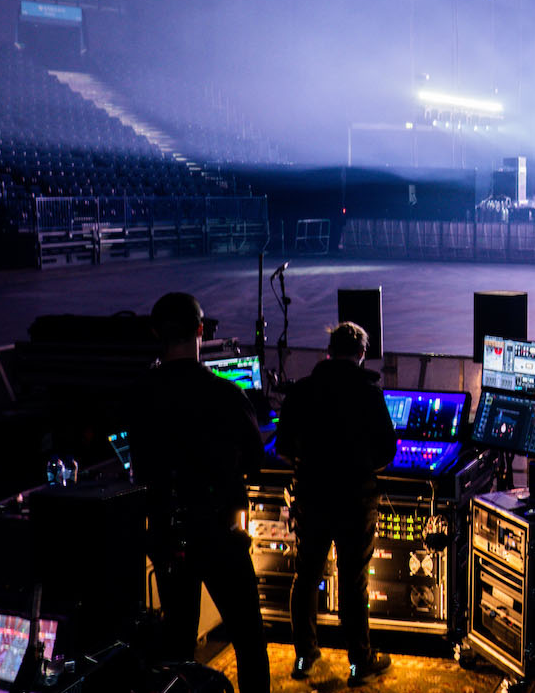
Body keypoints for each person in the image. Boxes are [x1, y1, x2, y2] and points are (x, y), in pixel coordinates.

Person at [131, 293, 269, 693]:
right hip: (219, 534)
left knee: (177, 647)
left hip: (166, 537)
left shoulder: (140, 395)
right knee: (248, 638)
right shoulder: (227, 394)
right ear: (200, 331)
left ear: (156, 334)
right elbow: (256, 462)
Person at [274, 322, 397, 686]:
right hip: (355, 500)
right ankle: (359, 662)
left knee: (306, 577)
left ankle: (304, 656)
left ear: (328, 351)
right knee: (353, 582)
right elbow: (386, 453)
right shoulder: (369, 393)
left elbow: (283, 449)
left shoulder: (301, 390)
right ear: (362, 353)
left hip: (312, 498)